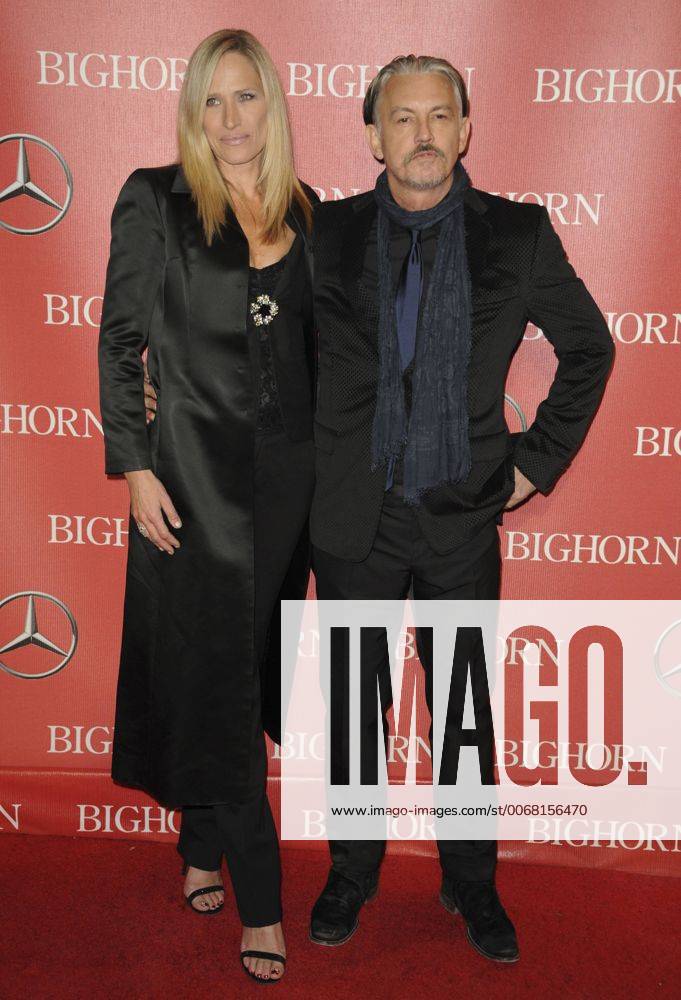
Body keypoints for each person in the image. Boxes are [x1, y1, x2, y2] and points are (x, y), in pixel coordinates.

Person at [308, 55, 615, 962]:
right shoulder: (324, 234)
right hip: (353, 514)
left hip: (460, 513)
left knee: (463, 714)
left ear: (466, 128)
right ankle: (352, 871)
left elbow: (589, 347)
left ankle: (470, 880)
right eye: (402, 118)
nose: (423, 134)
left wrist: (535, 463)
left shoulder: (516, 235)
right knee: (355, 710)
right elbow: (268, 356)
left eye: (439, 115)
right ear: (374, 136)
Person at [98, 28, 316, 984]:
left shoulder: (307, 211)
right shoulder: (157, 199)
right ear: (193, 111)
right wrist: (136, 467)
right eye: (213, 100)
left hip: (291, 486)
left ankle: (197, 842)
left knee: (241, 675)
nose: (231, 119)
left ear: (271, 105)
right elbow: (119, 342)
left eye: (246, 97)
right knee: (219, 676)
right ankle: (261, 899)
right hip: (190, 484)